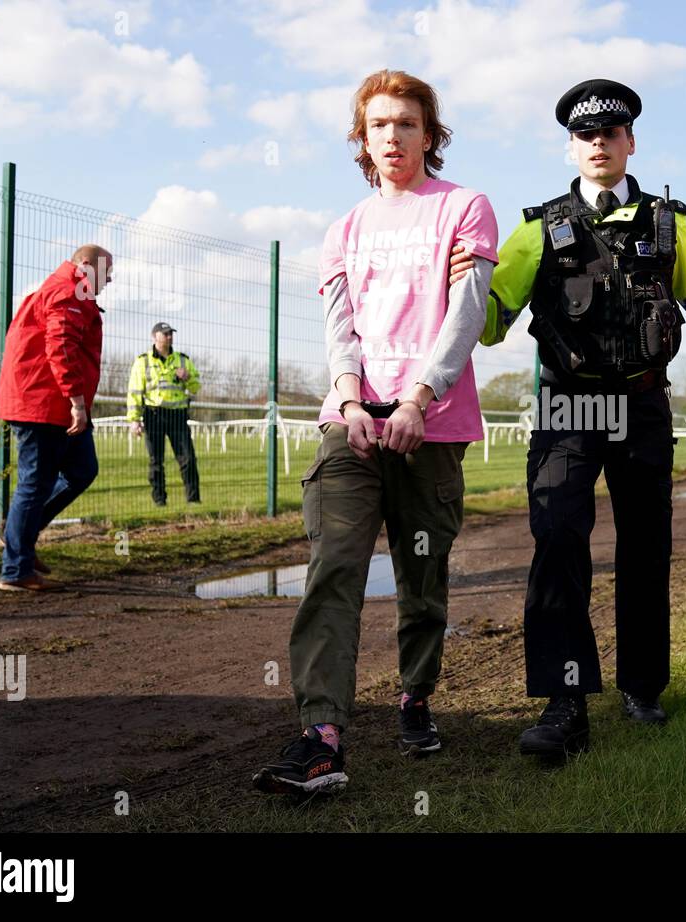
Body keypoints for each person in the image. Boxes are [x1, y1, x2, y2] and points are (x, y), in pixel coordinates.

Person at [464, 78, 686, 760]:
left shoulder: (668, 222)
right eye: (585, 134)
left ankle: (642, 687)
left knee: (646, 544)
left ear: (630, 141)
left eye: (611, 132)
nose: (598, 143)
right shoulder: (535, 229)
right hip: (569, 404)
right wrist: (455, 285)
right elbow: (489, 323)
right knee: (558, 535)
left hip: (642, 402)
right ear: (571, 145)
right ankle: (565, 699)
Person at [252, 69, 498, 795]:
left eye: (407, 123)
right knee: (334, 567)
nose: (393, 136)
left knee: (423, 579)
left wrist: (419, 400)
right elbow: (340, 330)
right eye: (379, 125)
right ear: (362, 139)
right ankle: (321, 736)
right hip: (352, 423)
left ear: (431, 134)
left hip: (433, 422)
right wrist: (352, 401)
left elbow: (467, 312)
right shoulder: (343, 231)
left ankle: (415, 695)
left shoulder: (464, 208)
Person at [0, 245, 111, 591]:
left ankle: (19, 536)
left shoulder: (64, 290)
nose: (109, 279)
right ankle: (15, 571)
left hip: (54, 403)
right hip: (43, 403)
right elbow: (60, 346)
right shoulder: (68, 291)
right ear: (86, 266)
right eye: (107, 272)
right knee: (35, 483)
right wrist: (77, 401)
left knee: (81, 470)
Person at [126, 322, 201, 506]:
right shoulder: (143, 361)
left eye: (171, 334)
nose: (169, 337)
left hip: (177, 416)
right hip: (154, 415)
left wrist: (188, 378)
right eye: (165, 334)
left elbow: (196, 387)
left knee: (188, 459)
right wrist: (134, 420)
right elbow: (135, 392)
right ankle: (160, 501)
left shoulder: (183, 360)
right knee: (156, 461)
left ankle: (193, 500)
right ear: (154, 336)